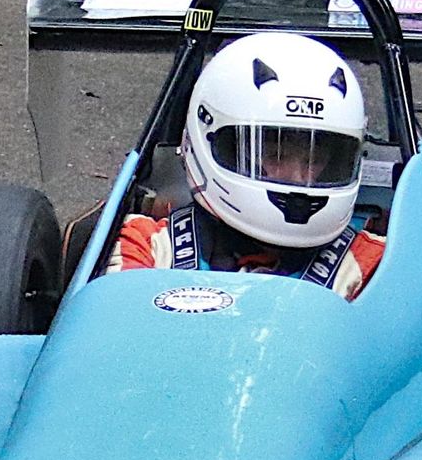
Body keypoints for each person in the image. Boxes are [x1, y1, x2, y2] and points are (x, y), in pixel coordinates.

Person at [108, 31, 386, 299]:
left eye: (314, 159)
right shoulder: (149, 247)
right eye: (276, 154)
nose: (297, 177)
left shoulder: (374, 266)